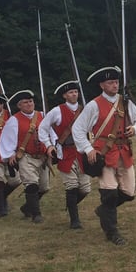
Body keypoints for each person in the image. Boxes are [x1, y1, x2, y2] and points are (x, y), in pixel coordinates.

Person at [72, 66, 136, 246]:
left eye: (116, 81)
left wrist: (134, 128)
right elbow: (78, 129)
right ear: (102, 85)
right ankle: (112, 232)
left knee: (128, 192)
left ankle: (103, 210)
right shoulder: (93, 105)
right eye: (110, 82)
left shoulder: (126, 102)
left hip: (124, 153)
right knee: (110, 193)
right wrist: (88, 149)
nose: (115, 85)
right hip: (104, 155)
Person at [40, 80, 91, 229]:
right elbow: (42, 128)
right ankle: (75, 220)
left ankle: (71, 206)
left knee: (85, 189)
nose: (74, 94)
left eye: (75, 92)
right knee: (72, 186)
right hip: (66, 152)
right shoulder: (57, 111)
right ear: (64, 95)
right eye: (70, 92)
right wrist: (49, 145)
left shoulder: (85, 109)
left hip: (82, 152)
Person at [0, 90, 50, 223]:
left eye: (30, 101)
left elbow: (51, 133)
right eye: (25, 102)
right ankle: (36, 214)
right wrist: (10, 154)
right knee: (31, 184)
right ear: (19, 106)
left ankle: (27, 207)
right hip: (26, 156)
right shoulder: (14, 120)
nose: (29, 104)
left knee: (44, 187)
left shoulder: (42, 116)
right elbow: (7, 138)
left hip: (42, 157)